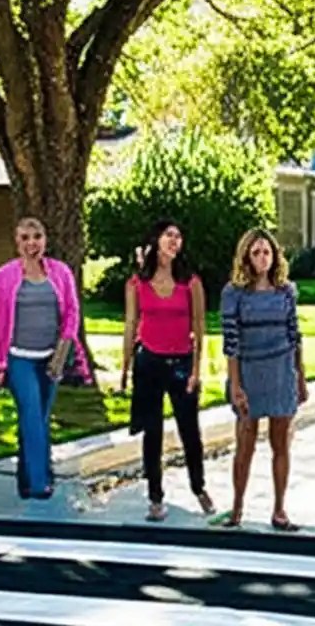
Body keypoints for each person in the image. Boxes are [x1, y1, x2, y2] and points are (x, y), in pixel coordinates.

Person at [0, 217, 88, 499]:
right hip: (19, 358)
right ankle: (40, 482)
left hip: (51, 357)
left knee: (40, 417)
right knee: (32, 415)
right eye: (25, 238)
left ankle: (26, 475)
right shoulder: (4, 277)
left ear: (45, 239)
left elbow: (71, 312)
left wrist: (63, 349)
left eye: (37, 236)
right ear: (17, 242)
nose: (32, 243)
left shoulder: (61, 272)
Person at [121, 219, 213, 522]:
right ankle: (155, 496)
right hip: (149, 363)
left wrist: (196, 371)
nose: (174, 241)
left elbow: (199, 328)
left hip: (181, 364)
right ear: (156, 241)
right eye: (168, 235)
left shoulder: (191, 282)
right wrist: (125, 368)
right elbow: (131, 325)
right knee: (153, 432)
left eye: (178, 236)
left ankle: (198, 487)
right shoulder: (137, 283)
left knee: (190, 431)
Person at [220, 227, 308, 531]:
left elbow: (295, 336)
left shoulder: (287, 291)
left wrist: (301, 379)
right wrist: (236, 385)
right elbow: (230, 344)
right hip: (249, 373)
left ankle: (280, 510)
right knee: (245, 443)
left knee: (280, 444)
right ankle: (236, 508)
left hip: (282, 371)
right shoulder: (233, 293)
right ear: (246, 256)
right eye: (256, 252)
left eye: (267, 252)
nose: (262, 257)